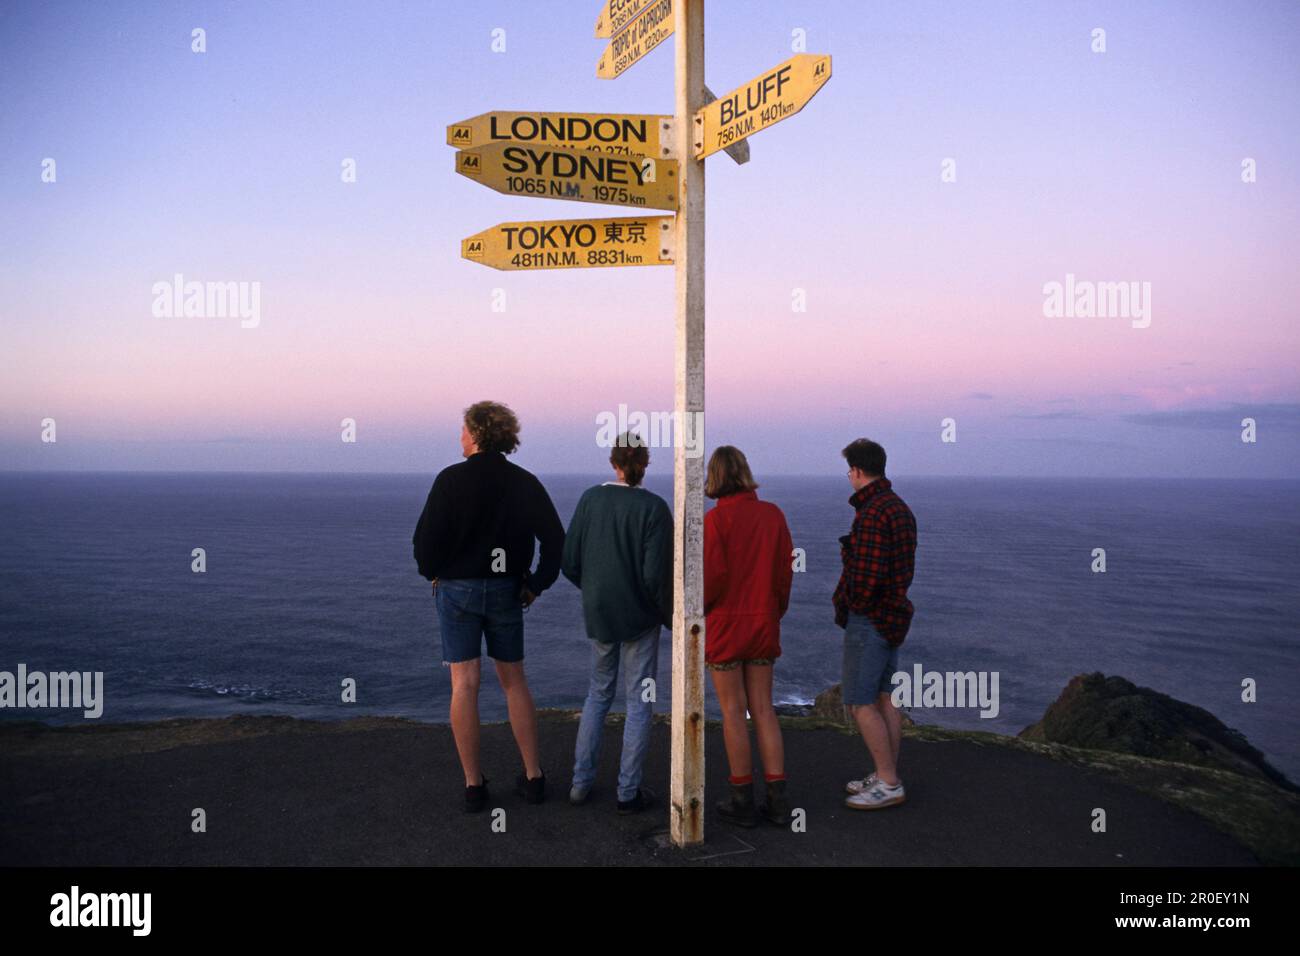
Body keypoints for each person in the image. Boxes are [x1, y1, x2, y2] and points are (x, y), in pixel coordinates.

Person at [412, 400, 565, 813]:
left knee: (464, 684)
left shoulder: (449, 481)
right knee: (514, 680)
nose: (459, 437)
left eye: (463, 430)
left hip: (458, 590)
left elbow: (424, 545)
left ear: (477, 434)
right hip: (506, 590)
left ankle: (473, 785)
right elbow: (555, 540)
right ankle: (533, 776)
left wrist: (435, 572)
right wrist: (536, 584)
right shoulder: (524, 482)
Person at [562, 433, 673, 814]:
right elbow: (656, 575)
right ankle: (628, 791)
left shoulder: (590, 500)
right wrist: (667, 614)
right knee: (639, 702)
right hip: (640, 618)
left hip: (600, 613)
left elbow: (570, 560)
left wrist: (593, 589)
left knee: (597, 694)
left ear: (614, 463)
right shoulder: (654, 509)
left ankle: (581, 783)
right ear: (645, 465)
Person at [702, 446, 795, 827]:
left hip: (725, 625)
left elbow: (712, 579)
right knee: (764, 709)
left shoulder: (714, 522)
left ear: (715, 477)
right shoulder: (773, 515)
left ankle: (742, 796)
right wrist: (774, 611)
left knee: (732, 712)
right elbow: (783, 574)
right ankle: (777, 799)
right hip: (762, 622)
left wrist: (700, 610)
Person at [833, 438, 917, 810]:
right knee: (885, 699)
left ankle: (888, 781)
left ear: (856, 471)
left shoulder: (871, 514)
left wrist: (852, 606)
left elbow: (865, 580)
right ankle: (887, 773)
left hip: (870, 620)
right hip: (894, 617)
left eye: (849, 469)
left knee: (860, 702)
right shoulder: (899, 509)